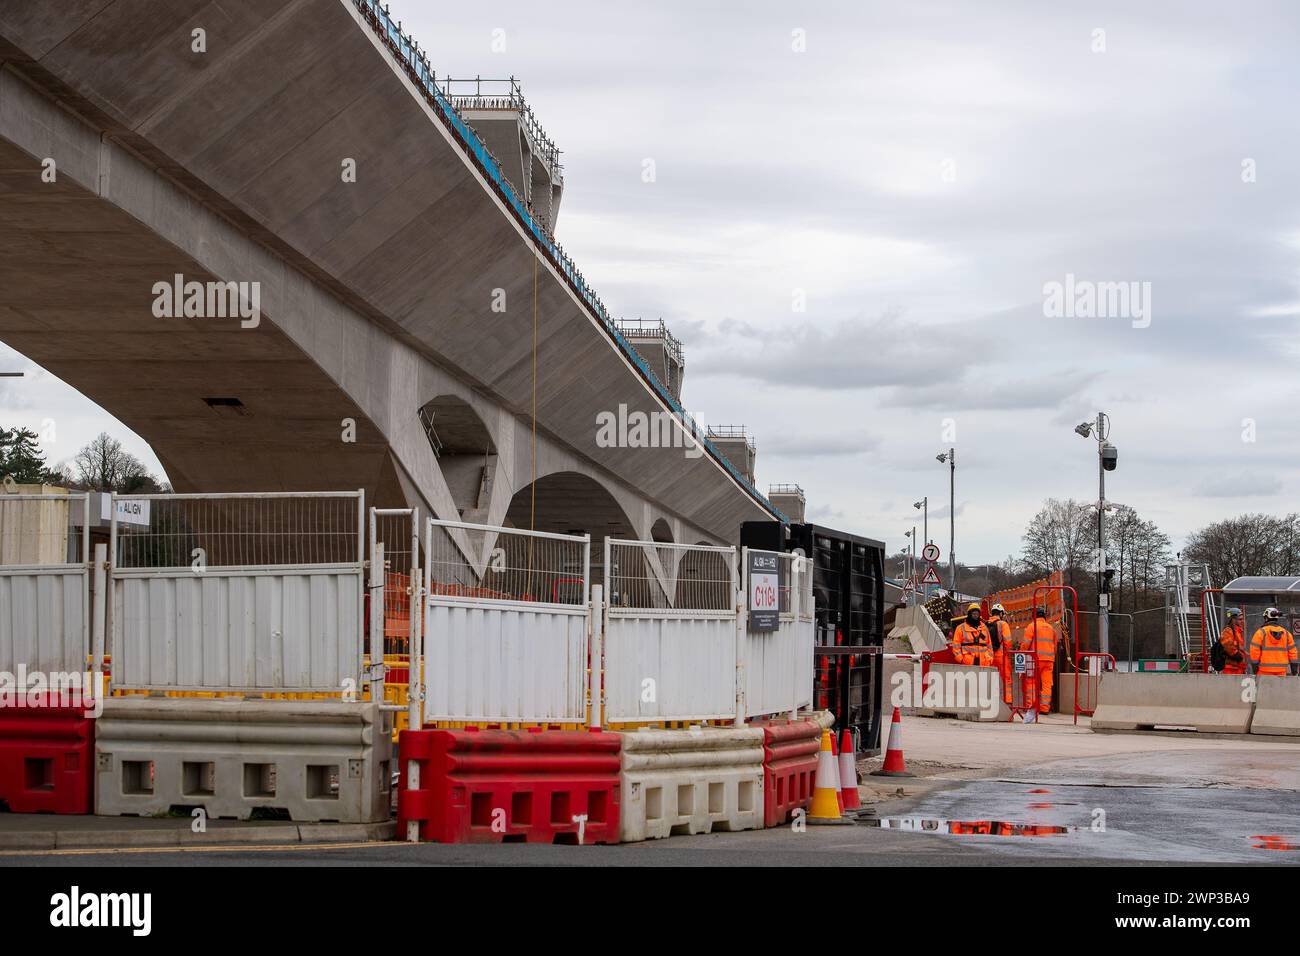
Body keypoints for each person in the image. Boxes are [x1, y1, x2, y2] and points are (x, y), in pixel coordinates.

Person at [1022, 608, 1058, 714]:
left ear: (1034, 616)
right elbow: (1054, 646)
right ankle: (1044, 708)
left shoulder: (1031, 626)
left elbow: (1026, 643)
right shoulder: (1051, 628)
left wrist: (1021, 653)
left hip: (1034, 659)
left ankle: (1031, 707)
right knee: (1047, 684)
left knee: (1031, 682)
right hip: (1049, 660)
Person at [1248, 607, 1298, 677]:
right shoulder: (1286, 634)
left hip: (1264, 671)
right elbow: (1293, 653)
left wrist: (1255, 668)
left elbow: (1254, 651)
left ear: (1266, 618)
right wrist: (1294, 669)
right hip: (1281, 671)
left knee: (1264, 688)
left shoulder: (1260, 633)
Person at [950, 603, 995, 668]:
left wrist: (990, 659)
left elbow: (989, 645)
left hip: (984, 663)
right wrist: (961, 659)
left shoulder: (984, 628)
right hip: (968, 663)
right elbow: (956, 646)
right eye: (973, 613)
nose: (975, 615)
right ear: (969, 614)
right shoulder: (960, 628)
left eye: (977, 614)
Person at [987, 603, 1014, 703]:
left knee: (991, 679)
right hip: (1001, 656)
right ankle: (1008, 701)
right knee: (1006, 679)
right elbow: (1008, 641)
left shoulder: (986, 624)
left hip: (989, 656)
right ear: (1001, 613)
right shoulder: (1003, 624)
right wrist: (1008, 652)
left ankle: (992, 701)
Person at [1217, 608, 1247, 675]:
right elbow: (1227, 645)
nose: (1242, 621)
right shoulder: (1228, 631)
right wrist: (1237, 655)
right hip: (1231, 669)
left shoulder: (1237, 632)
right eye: (1240, 619)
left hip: (1238, 667)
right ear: (1233, 619)